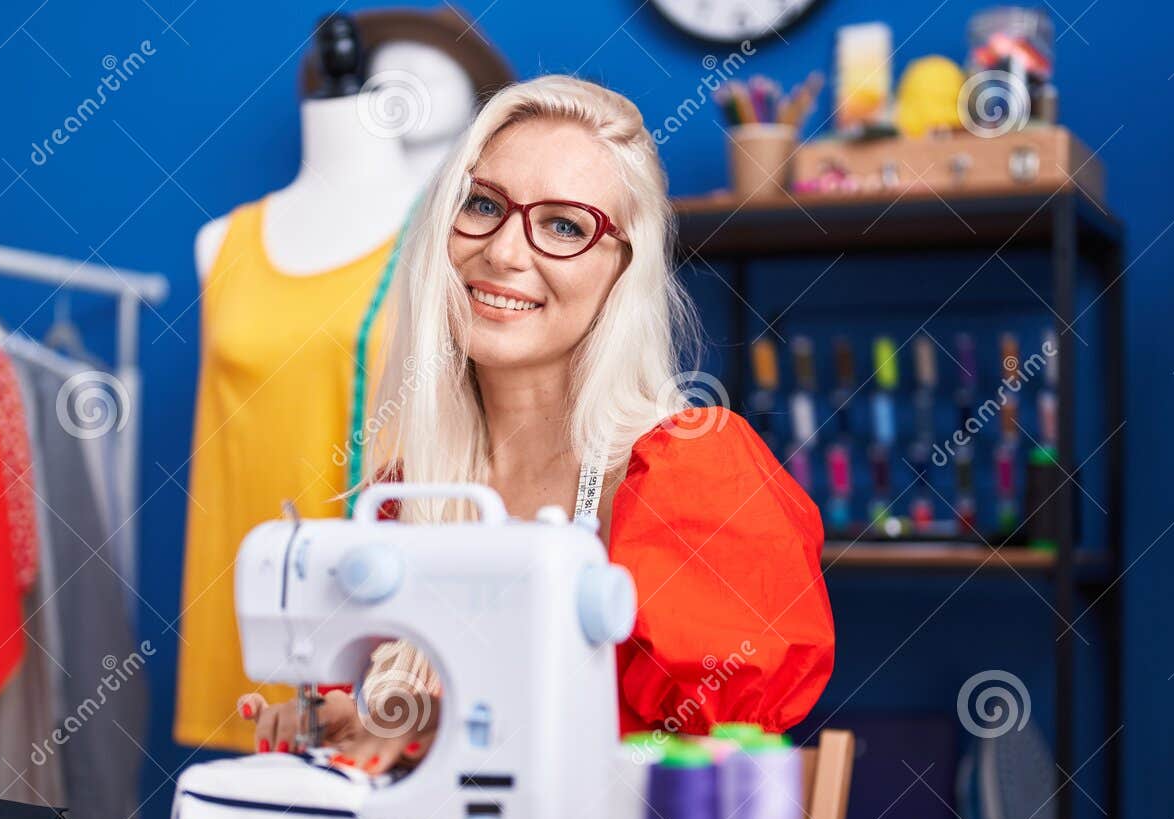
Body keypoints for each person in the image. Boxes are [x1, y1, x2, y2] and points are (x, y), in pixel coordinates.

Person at [238, 76, 834, 772]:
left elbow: (712, 770)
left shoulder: (692, 471)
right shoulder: (405, 497)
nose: (503, 252)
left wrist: (443, 732)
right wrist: (362, 726)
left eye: (564, 226)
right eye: (482, 204)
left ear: (625, 269)